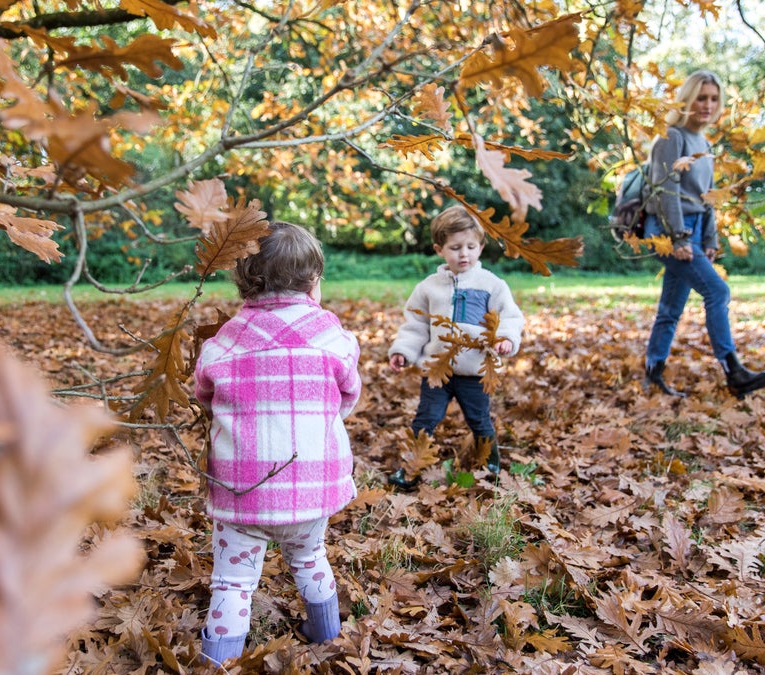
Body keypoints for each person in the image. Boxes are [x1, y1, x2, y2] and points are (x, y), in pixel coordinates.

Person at [193, 221, 362, 666]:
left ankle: (219, 659)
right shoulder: (331, 336)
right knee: (310, 557)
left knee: (232, 581)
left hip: (242, 491)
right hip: (309, 487)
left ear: (244, 282)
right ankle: (325, 631)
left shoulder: (228, 339)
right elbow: (348, 394)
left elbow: (204, 392)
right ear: (313, 283)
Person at [641, 69, 765, 399]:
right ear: (687, 100)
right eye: (701, 97)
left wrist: (710, 239)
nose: (707, 104)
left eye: (714, 99)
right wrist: (680, 239)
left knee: (671, 309)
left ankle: (652, 375)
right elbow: (666, 193)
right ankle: (734, 371)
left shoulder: (704, 144)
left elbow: (709, 195)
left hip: (694, 230)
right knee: (718, 291)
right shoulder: (671, 138)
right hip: (669, 231)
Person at [386, 205, 525, 490]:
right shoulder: (429, 287)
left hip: (474, 372)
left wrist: (506, 339)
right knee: (425, 419)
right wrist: (403, 350)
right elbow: (415, 324)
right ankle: (411, 468)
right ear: (439, 249)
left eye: (471, 246)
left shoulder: (492, 285)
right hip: (438, 371)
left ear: (481, 247)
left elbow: (510, 316)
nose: (464, 254)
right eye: (455, 247)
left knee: (479, 420)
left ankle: (491, 466)